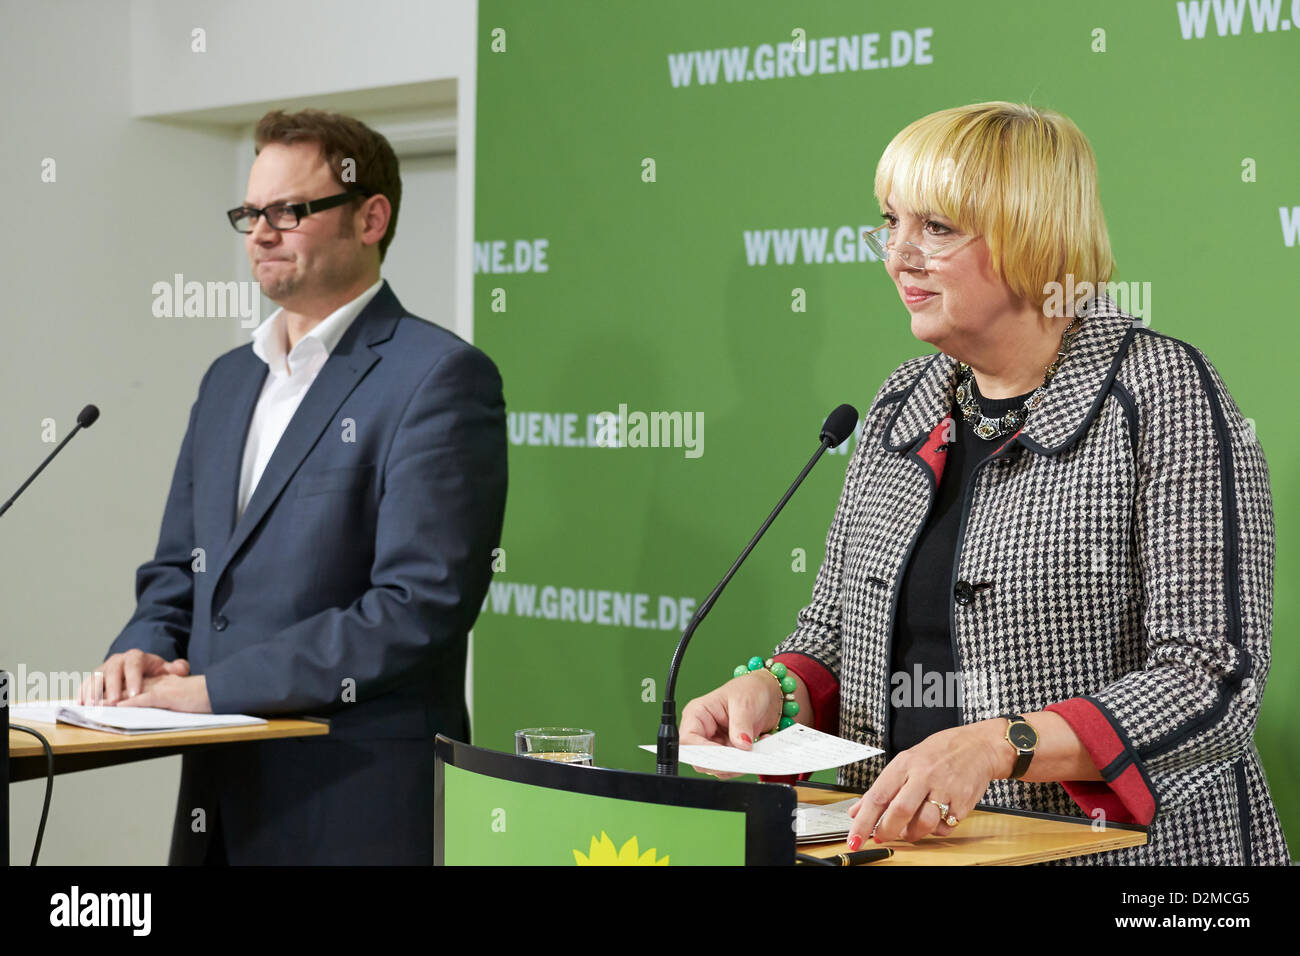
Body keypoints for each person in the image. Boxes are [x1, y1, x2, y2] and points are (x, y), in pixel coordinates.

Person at [680, 101, 1290, 865]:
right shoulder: (903, 401)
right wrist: (775, 692)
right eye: (890, 223)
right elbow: (835, 630)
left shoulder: (1162, 393)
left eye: (936, 228)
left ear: (1032, 232)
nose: (899, 255)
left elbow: (1213, 682)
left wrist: (1006, 745)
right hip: (900, 850)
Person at [78, 108, 508, 864]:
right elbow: (181, 570)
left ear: (371, 216)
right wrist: (141, 649)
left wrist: (214, 689)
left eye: (290, 211)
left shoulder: (437, 377)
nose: (261, 233)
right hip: (221, 794)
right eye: (251, 213)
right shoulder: (226, 380)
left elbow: (418, 608)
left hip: (354, 797)